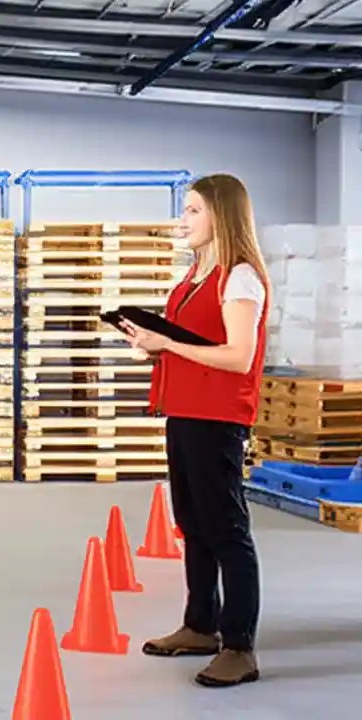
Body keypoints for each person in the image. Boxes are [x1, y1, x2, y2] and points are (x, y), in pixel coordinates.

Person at [118, 173, 270, 688]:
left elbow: (238, 355)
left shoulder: (240, 276)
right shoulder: (191, 280)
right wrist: (150, 344)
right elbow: (191, 345)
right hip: (186, 413)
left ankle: (239, 646)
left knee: (227, 529)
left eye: (193, 211)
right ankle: (200, 624)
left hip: (219, 419)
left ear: (221, 216)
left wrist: (170, 345)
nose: (183, 221)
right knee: (195, 524)